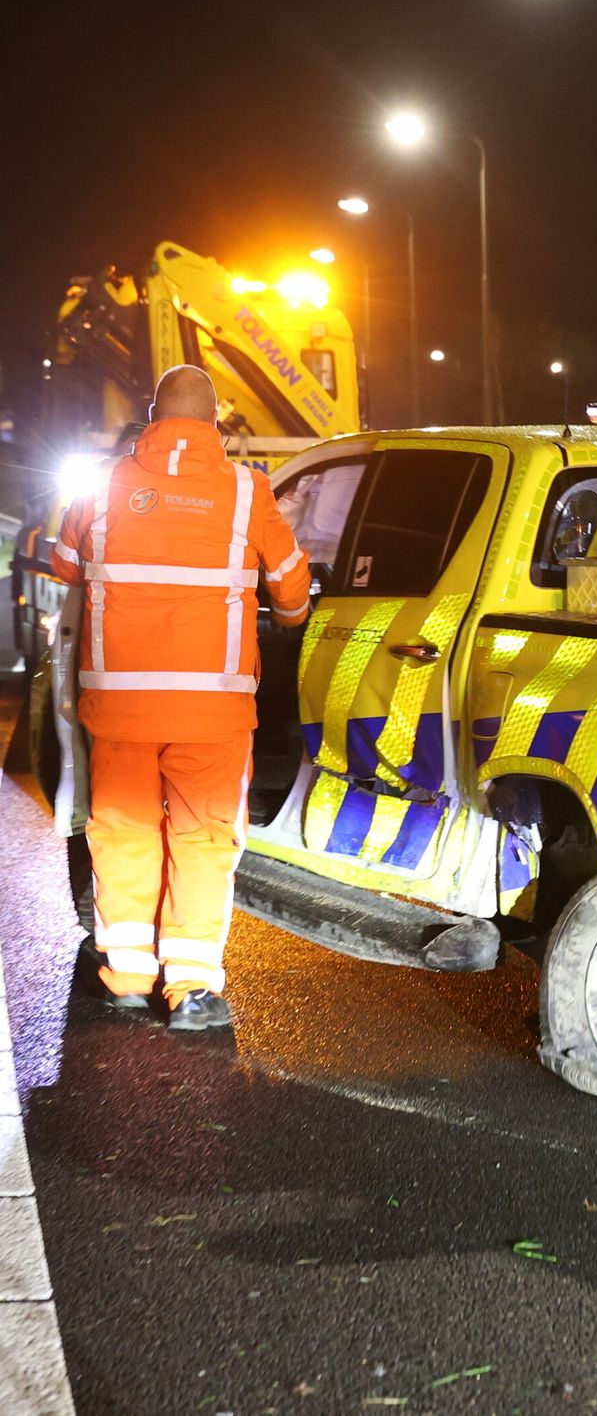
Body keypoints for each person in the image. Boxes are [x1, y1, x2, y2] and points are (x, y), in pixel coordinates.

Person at [51, 365, 311, 1029]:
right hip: (212, 709)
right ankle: (191, 987)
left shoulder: (105, 484)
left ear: (151, 414)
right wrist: (284, 623)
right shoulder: (247, 491)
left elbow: (65, 565)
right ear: (217, 420)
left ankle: (127, 976)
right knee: (202, 840)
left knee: (125, 834)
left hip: (119, 705)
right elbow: (290, 587)